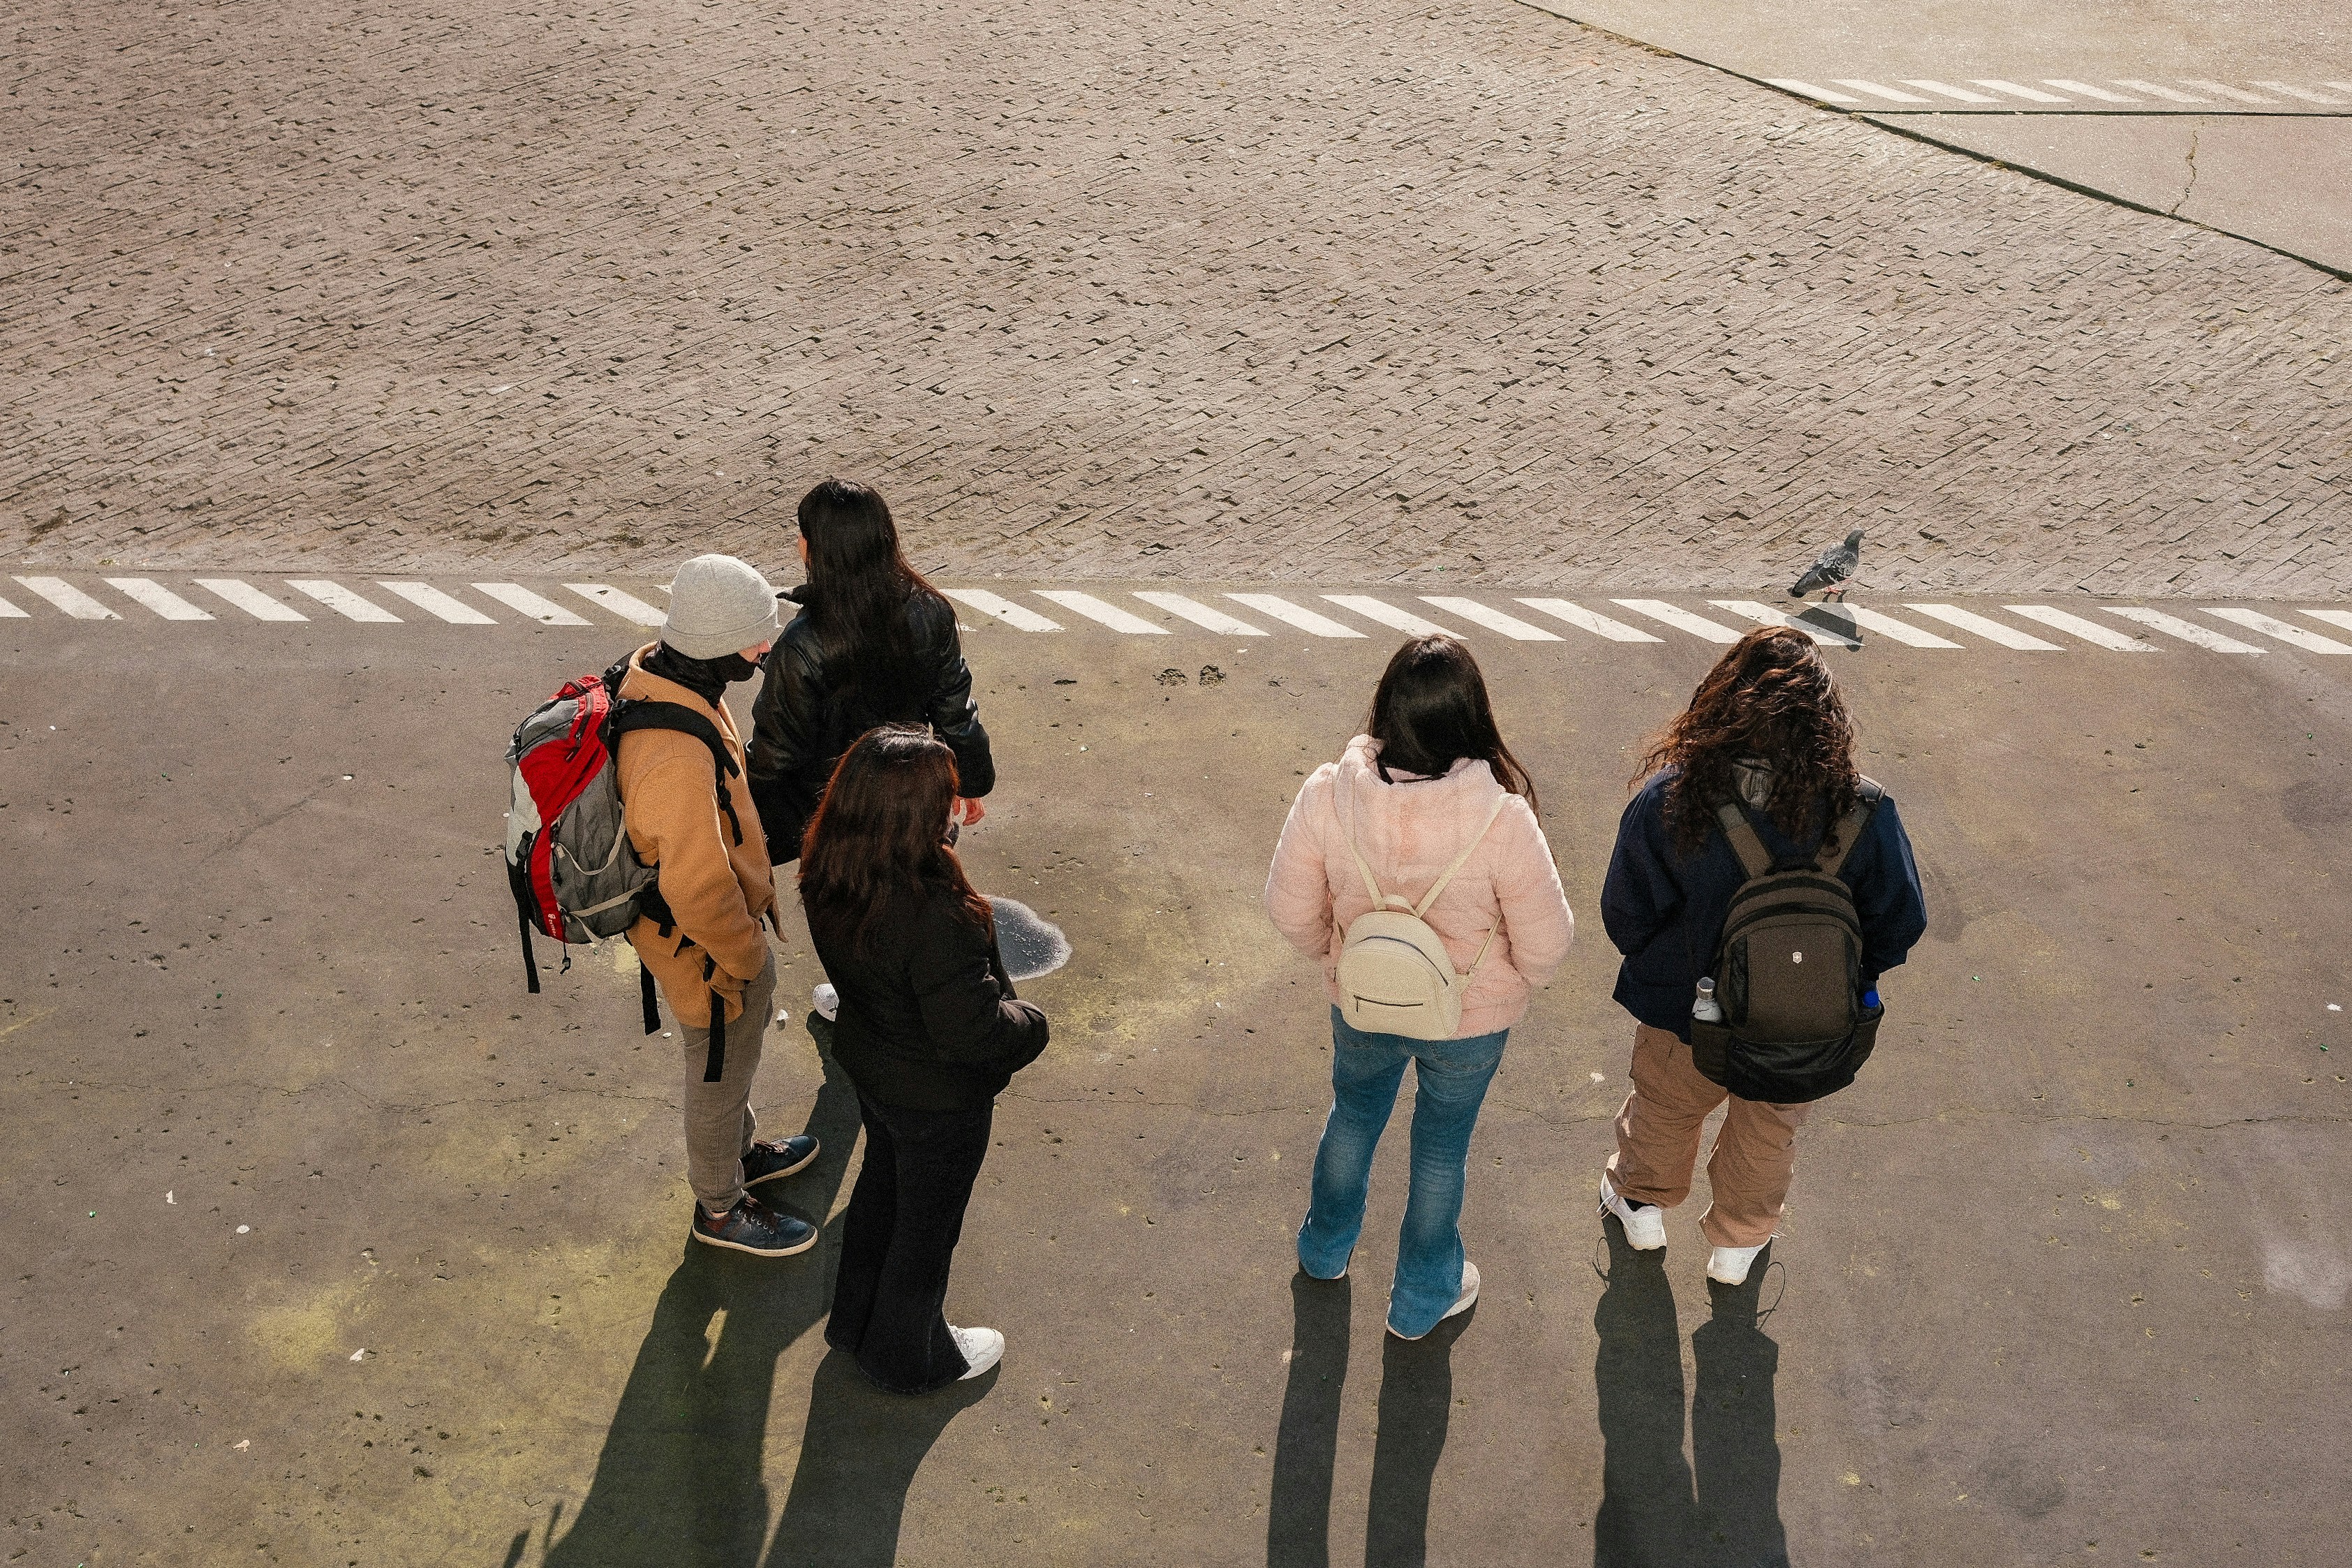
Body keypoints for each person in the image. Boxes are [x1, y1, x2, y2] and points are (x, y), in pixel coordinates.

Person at [1264, 635, 1575, 1340]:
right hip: (1469, 1023)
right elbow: (1549, 942)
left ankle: (1323, 1250)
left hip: (1363, 1002)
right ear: (1474, 719)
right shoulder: (1502, 818)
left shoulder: (1329, 793)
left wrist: (1332, 956)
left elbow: (1287, 907)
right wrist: (1514, 986)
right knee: (1441, 1147)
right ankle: (1421, 1296)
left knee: (1353, 1112)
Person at [1599, 625, 1926, 1285]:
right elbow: (1900, 921)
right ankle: (1737, 1245)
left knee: (1664, 1109)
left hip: (1681, 1009)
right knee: (1766, 1129)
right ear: (1826, 720)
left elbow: (1626, 915)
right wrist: (1840, 977)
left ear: (1718, 703)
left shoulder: (1671, 798)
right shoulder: (1861, 808)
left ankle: (1641, 1208)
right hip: (1800, 1023)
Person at [799, 725, 1048, 1393]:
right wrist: (1032, 1025)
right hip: (939, 1097)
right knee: (926, 1231)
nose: (956, 810)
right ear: (913, 817)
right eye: (946, 799)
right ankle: (910, 1356)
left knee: (882, 1193)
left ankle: (854, 1323)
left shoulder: (828, 869)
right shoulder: (935, 911)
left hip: (874, 1071)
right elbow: (973, 1032)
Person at [616, 554, 822, 1259]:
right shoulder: (672, 750)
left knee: (730, 1056)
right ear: (715, 640)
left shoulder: (670, 674)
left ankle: (740, 1152)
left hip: (704, 931)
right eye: (755, 638)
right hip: (699, 944)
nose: (766, 649)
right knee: (716, 1065)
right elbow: (696, 884)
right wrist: (745, 954)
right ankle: (721, 1205)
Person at [749, 478, 993, 868]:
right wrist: (966, 780)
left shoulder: (803, 643)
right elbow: (956, 710)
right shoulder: (932, 611)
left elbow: (775, 756)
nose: (799, 543)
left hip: (833, 819)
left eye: (803, 534)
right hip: (910, 802)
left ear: (823, 550)